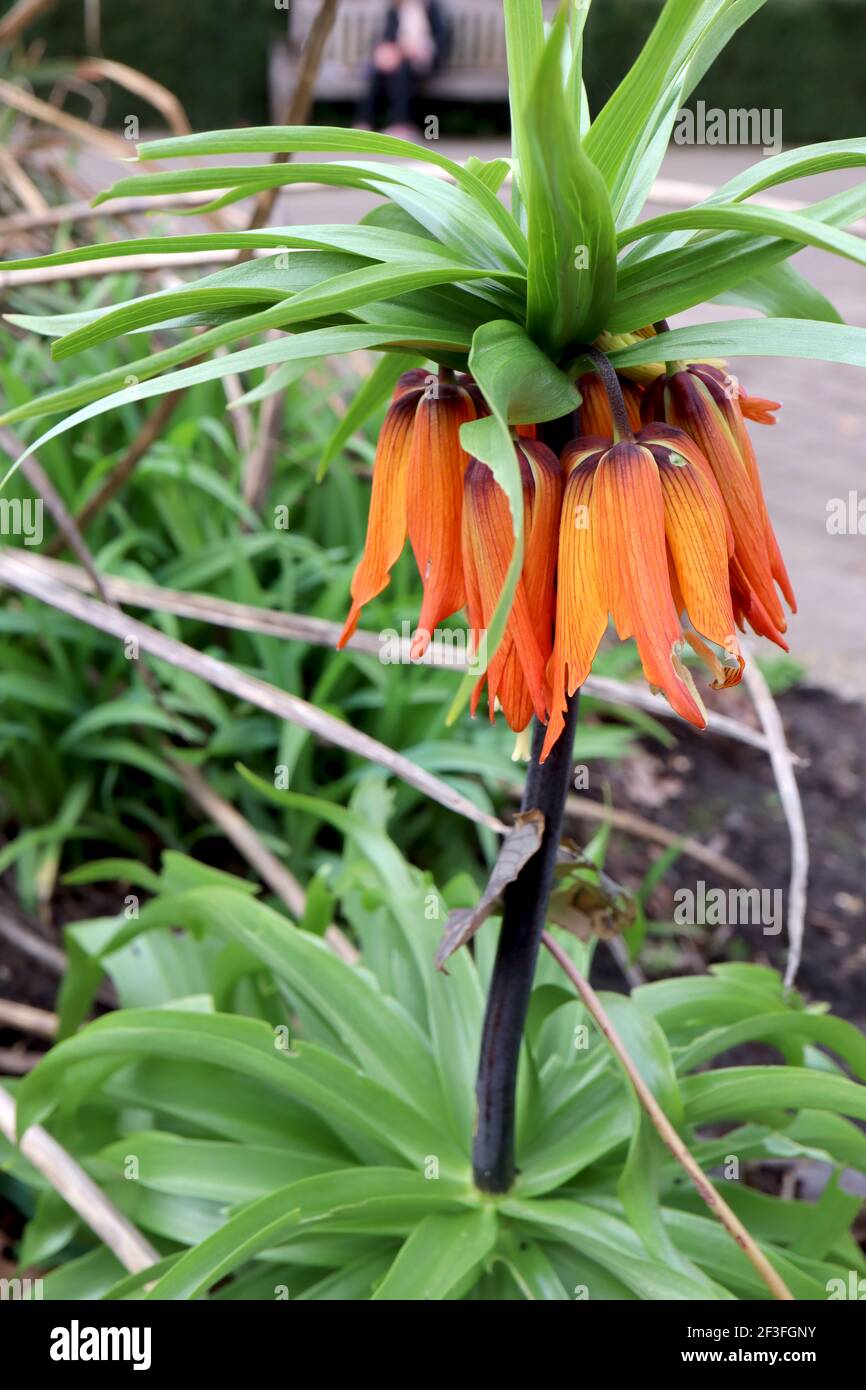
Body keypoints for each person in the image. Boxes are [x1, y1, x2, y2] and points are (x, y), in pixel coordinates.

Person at [355, 1, 451, 137]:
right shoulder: (394, 10)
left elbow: (441, 40)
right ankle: (364, 122)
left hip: (423, 61)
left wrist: (419, 51)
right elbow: (387, 38)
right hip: (397, 59)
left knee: (401, 71)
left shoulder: (432, 8)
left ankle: (401, 124)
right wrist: (387, 52)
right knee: (377, 71)